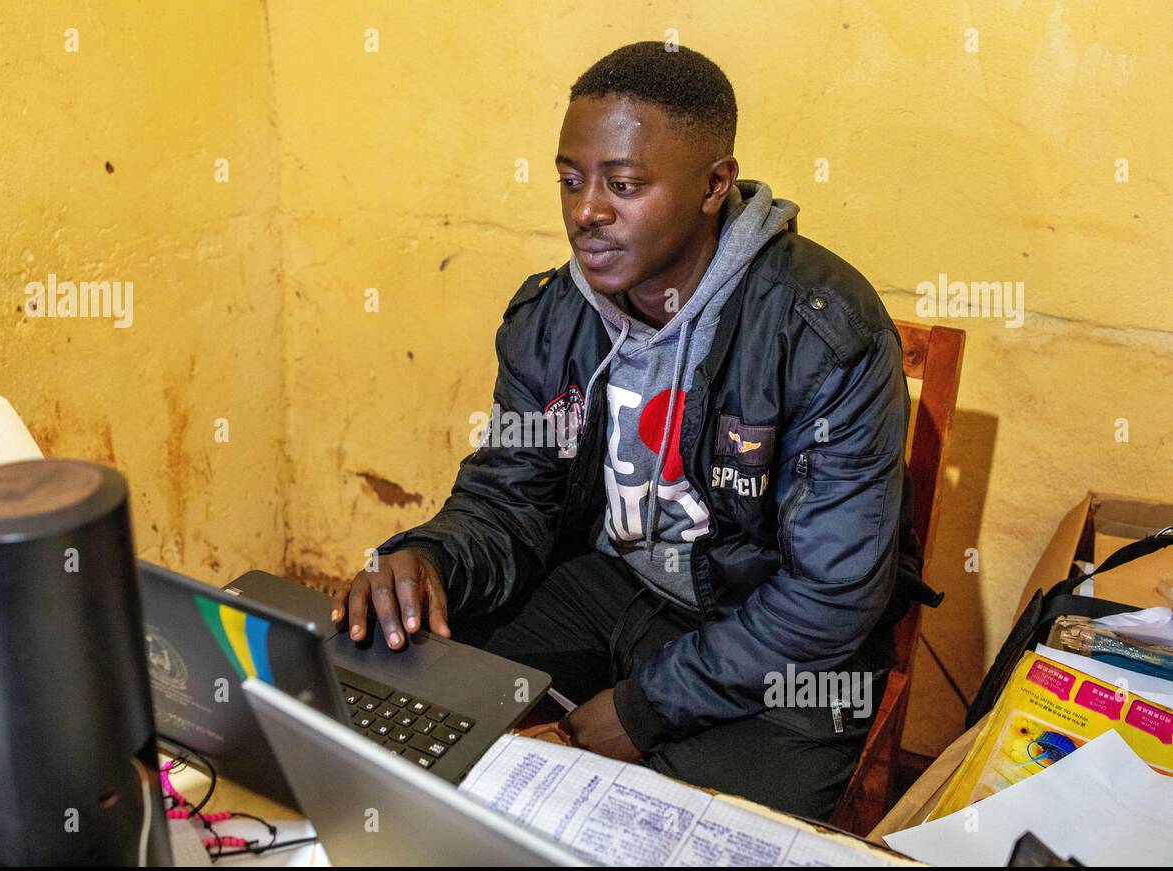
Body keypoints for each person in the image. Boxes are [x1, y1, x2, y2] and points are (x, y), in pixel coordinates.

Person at [332, 41, 936, 820]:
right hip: (613, 587)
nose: (586, 211)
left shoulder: (822, 331)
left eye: (624, 185)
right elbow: (511, 494)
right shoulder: (551, 316)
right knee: (403, 703)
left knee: (660, 828)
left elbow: (832, 594)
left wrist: (645, 707)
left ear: (715, 184)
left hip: (775, 643)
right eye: (571, 180)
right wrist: (431, 554)